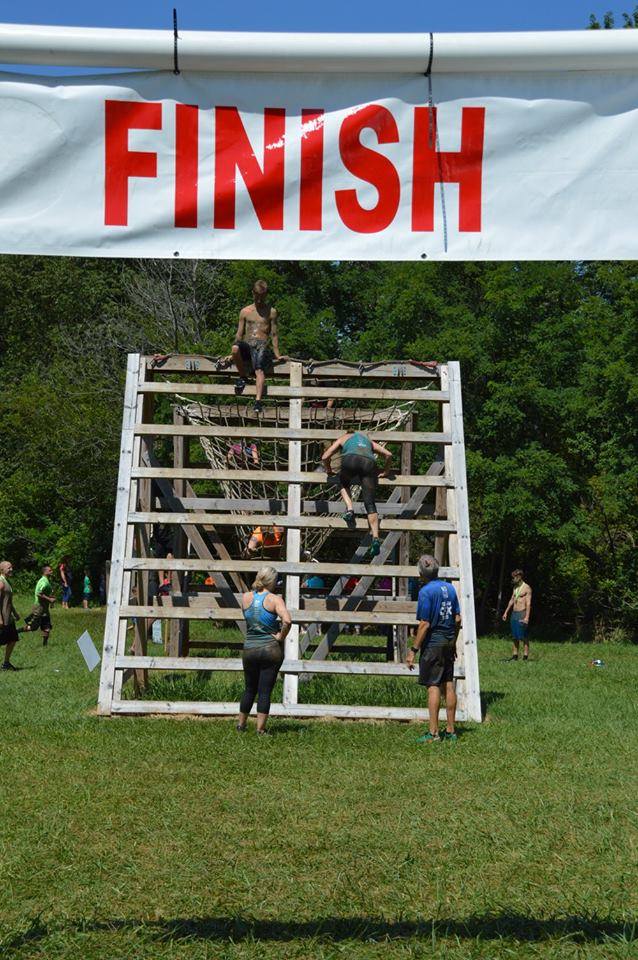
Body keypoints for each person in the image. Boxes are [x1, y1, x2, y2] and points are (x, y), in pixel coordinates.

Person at [407, 555, 462, 744]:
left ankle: (433, 733)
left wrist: (413, 649)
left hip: (433, 644)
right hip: (448, 641)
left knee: (433, 686)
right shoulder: (450, 588)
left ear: (421, 572)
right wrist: (453, 642)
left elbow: (424, 624)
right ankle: (451, 730)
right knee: (448, 684)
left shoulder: (425, 592)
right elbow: (457, 619)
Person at [237, 565, 292, 734]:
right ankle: (260, 729)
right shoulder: (275, 599)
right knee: (265, 691)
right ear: (272, 581)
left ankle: (241, 725)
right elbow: (287, 621)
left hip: (250, 648)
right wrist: (281, 637)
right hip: (270, 649)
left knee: (249, 688)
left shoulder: (246, 597)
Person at [321, 432, 393, 557]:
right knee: (370, 503)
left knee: (343, 483)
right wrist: (386, 471)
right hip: (368, 463)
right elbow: (388, 454)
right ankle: (375, 538)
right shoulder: (367, 440)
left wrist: (328, 469)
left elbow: (325, 457)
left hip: (350, 460)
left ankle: (349, 509)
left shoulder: (344, 437)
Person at [231, 279, 282, 414]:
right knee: (235, 349)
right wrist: (231, 355)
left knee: (259, 369)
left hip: (262, 345)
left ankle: (258, 401)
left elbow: (274, 333)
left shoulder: (271, 312)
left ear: (266, 295)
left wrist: (277, 354)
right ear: (253, 293)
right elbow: (239, 334)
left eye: (262, 296)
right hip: (248, 344)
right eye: (257, 296)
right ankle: (243, 377)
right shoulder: (245, 311)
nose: (259, 299)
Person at [502, 569, 532, 661]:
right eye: (513, 577)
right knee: (515, 636)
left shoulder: (527, 588)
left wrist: (526, 617)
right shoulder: (515, 587)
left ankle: (525, 657)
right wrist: (506, 612)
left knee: (523, 636)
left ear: (520, 576)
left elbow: (528, 604)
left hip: (522, 613)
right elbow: (512, 600)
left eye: (515, 577)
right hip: (514, 613)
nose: (514, 579)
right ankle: (515, 656)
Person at [23, 564, 55, 646]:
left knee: (47, 626)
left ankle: (45, 645)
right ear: (45, 572)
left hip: (44, 608)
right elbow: (39, 594)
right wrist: (49, 599)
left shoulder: (46, 580)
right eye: (50, 570)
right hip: (39, 607)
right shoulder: (44, 581)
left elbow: (44, 593)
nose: (52, 571)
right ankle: (16, 631)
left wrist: (50, 600)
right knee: (33, 627)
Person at [0, 561, 21, 671]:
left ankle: (6, 663)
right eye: (9, 567)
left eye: (12, 567)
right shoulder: (1, 582)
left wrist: (15, 613)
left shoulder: (7, 581)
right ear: (2, 570)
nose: (11, 569)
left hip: (9, 617)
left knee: (12, 639)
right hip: (3, 618)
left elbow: (8, 601)